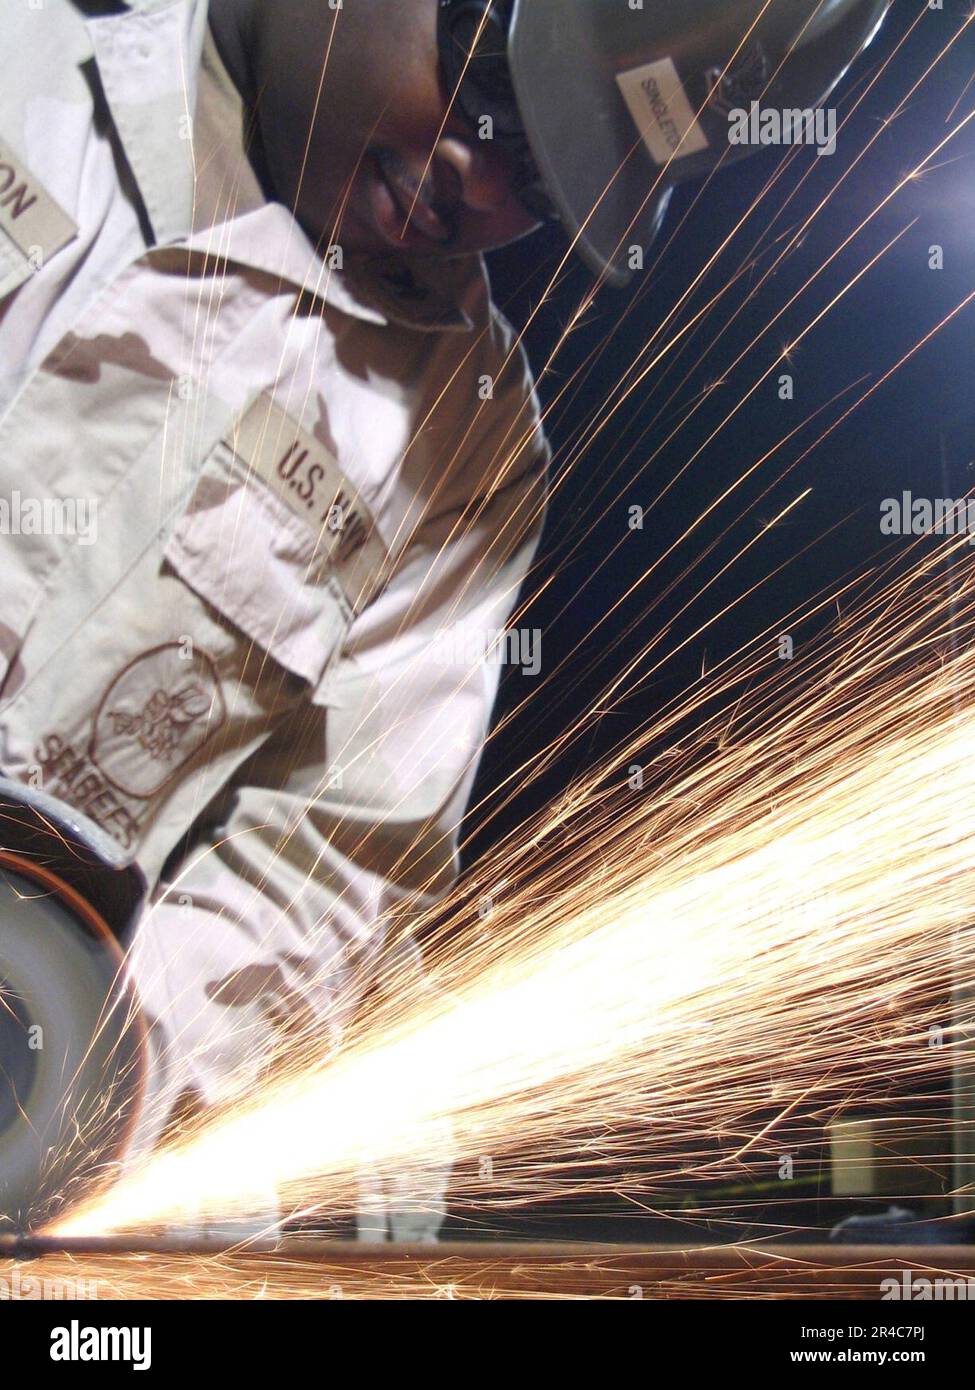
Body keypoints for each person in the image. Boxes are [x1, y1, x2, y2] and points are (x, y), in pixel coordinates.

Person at [0, 0, 889, 1240]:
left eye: (536, 172)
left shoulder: (462, 441)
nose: (471, 182)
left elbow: (315, 872)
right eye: (487, 101)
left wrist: (74, 1095)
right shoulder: (29, 55)